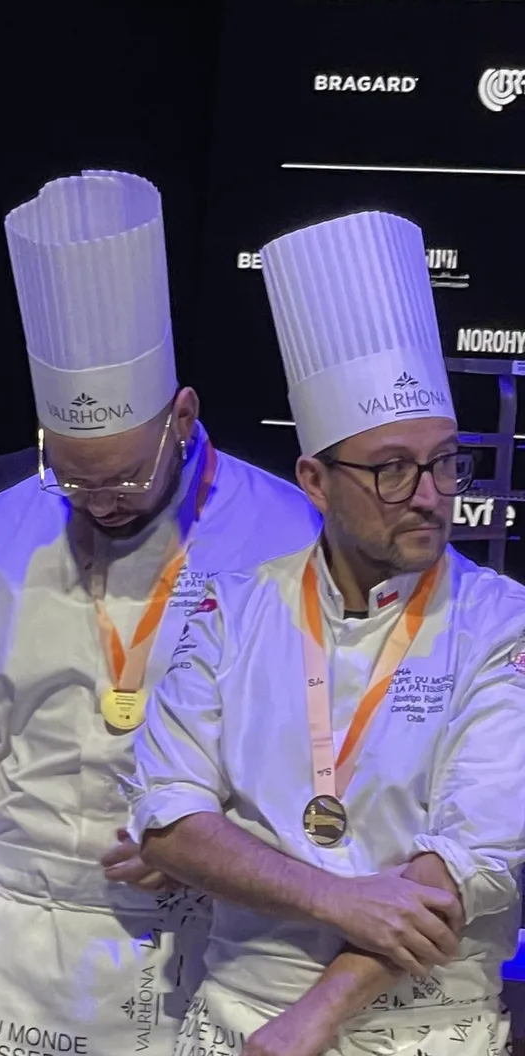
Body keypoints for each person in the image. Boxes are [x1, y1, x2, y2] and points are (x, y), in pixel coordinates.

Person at [0, 170, 323, 1056]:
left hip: (192, 954)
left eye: (125, 474)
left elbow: (318, 760)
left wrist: (210, 845)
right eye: (75, 477)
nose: (103, 501)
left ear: (184, 416)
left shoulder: (283, 532)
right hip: (7, 949)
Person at [133, 211, 525, 1056]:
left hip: (426, 1030)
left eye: (446, 460)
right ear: (314, 478)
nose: (428, 493)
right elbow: (168, 817)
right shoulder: (233, 611)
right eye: (391, 468)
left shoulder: (504, 625)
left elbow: (470, 861)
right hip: (238, 1016)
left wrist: (313, 1019)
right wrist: (335, 897)